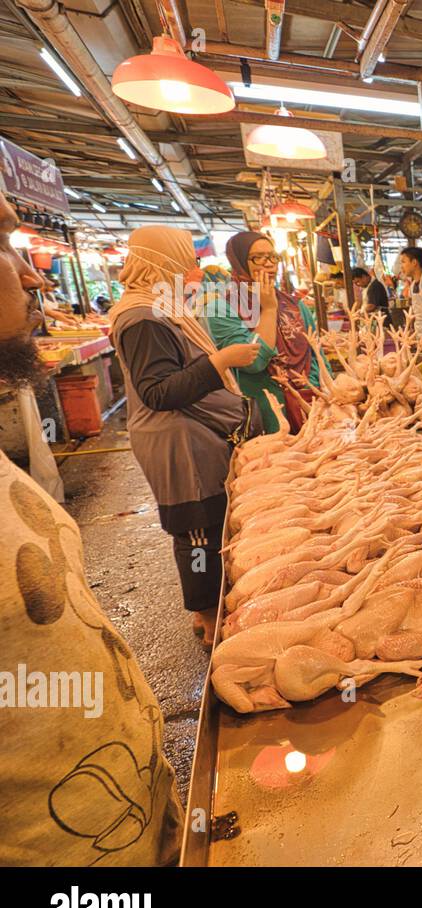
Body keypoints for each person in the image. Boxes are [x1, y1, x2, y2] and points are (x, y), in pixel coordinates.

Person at [0, 195, 184, 864]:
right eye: (2, 241)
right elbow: (164, 390)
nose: (33, 275)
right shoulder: (140, 317)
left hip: (124, 820)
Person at [109, 226, 262, 646]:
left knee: (209, 525)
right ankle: (209, 618)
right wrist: (220, 362)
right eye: (188, 261)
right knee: (198, 533)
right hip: (179, 444)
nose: (194, 270)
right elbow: (159, 392)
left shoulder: (160, 308)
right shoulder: (142, 318)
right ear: (163, 263)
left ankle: (206, 608)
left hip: (194, 437)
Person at [203, 232, 320, 434]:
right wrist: (268, 310)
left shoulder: (295, 305)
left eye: (273, 257)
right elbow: (254, 362)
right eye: (258, 257)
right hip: (267, 416)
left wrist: (319, 394)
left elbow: (316, 356)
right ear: (238, 261)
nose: (269, 264)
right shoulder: (221, 308)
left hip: (311, 407)